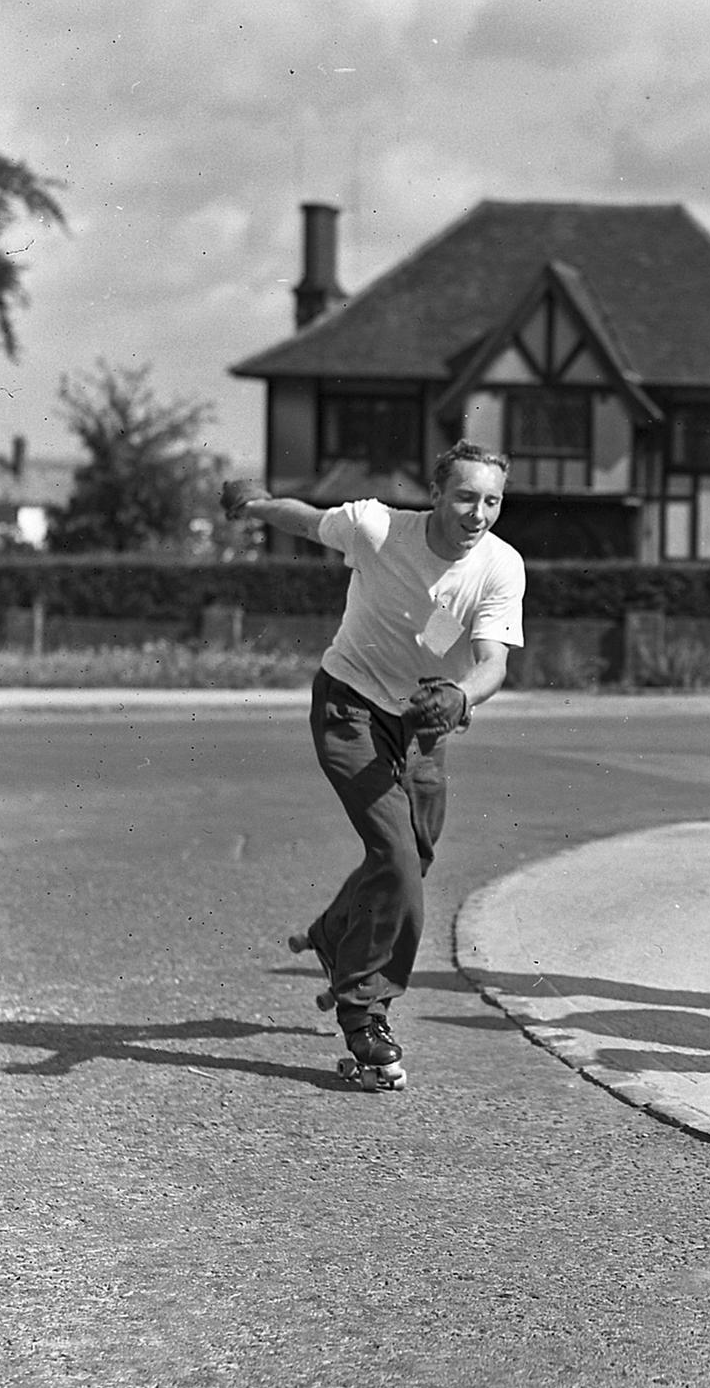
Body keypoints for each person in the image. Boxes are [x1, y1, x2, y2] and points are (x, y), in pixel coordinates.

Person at [220, 441, 525, 1088]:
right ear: (438, 493)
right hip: (349, 706)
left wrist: (462, 694)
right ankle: (365, 1011)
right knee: (399, 862)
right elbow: (305, 520)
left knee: (413, 854)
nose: (479, 513)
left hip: (423, 719)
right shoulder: (378, 528)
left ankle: (336, 934)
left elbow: (493, 660)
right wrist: (255, 502)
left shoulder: (500, 566)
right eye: (467, 497)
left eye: (493, 501)